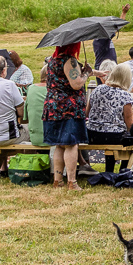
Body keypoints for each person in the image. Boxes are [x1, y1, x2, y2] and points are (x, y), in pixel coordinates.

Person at [41, 42, 91, 190]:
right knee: (71, 144)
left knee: (60, 145)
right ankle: (72, 181)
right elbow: (76, 84)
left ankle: (58, 180)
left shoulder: (51, 61)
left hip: (53, 107)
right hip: (68, 108)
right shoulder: (70, 61)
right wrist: (86, 73)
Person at [87, 62, 133, 150]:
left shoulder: (97, 89)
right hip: (114, 137)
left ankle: (110, 164)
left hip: (92, 135)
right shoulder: (125, 95)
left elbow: (87, 113)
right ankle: (124, 164)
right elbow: (129, 124)